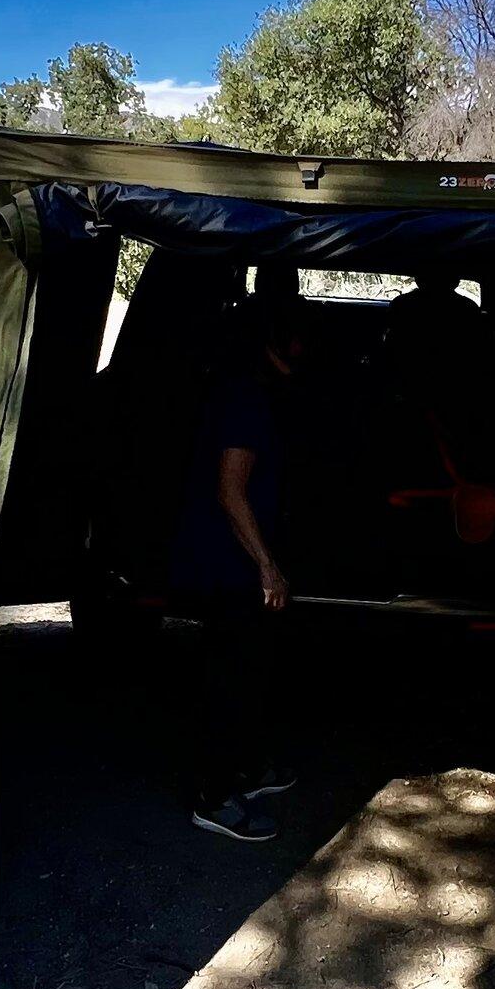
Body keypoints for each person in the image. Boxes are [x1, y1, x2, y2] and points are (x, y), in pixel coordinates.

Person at [169, 294, 305, 841]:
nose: (302, 349)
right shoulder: (245, 399)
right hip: (228, 566)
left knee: (249, 671)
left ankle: (244, 770)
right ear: (268, 342)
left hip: (235, 562)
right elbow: (231, 491)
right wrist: (268, 567)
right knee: (228, 677)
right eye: (293, 338)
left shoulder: (250, 391)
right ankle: (215, 796)